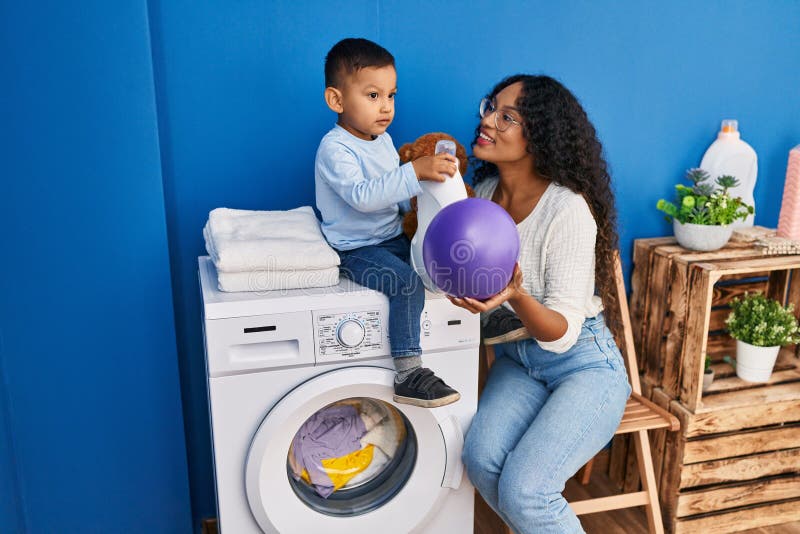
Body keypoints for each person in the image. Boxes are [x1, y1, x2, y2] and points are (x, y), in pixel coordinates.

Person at [449, 74, 632, 533]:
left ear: (540, 137)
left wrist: (515, 294)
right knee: (481, 460)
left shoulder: (565, 209)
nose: (488, 120)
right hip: (518, 360)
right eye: (491, 106)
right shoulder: (483, 196)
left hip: (583, 364)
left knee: (527, 492)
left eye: (507, 116)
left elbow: (562, 332)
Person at [315, 38, 462, 407]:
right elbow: (363, 196)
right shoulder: (335, 149)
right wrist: (414, 172)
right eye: (373, 95)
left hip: (390, 235)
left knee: (441, 261)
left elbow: (393, 193)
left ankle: (486, 319)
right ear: (337, 100)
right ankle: (409, 373)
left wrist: (418, 207)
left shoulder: (381, 139)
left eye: (391, 95)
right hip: (357, 247)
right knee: (407, 284)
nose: (386, 107)